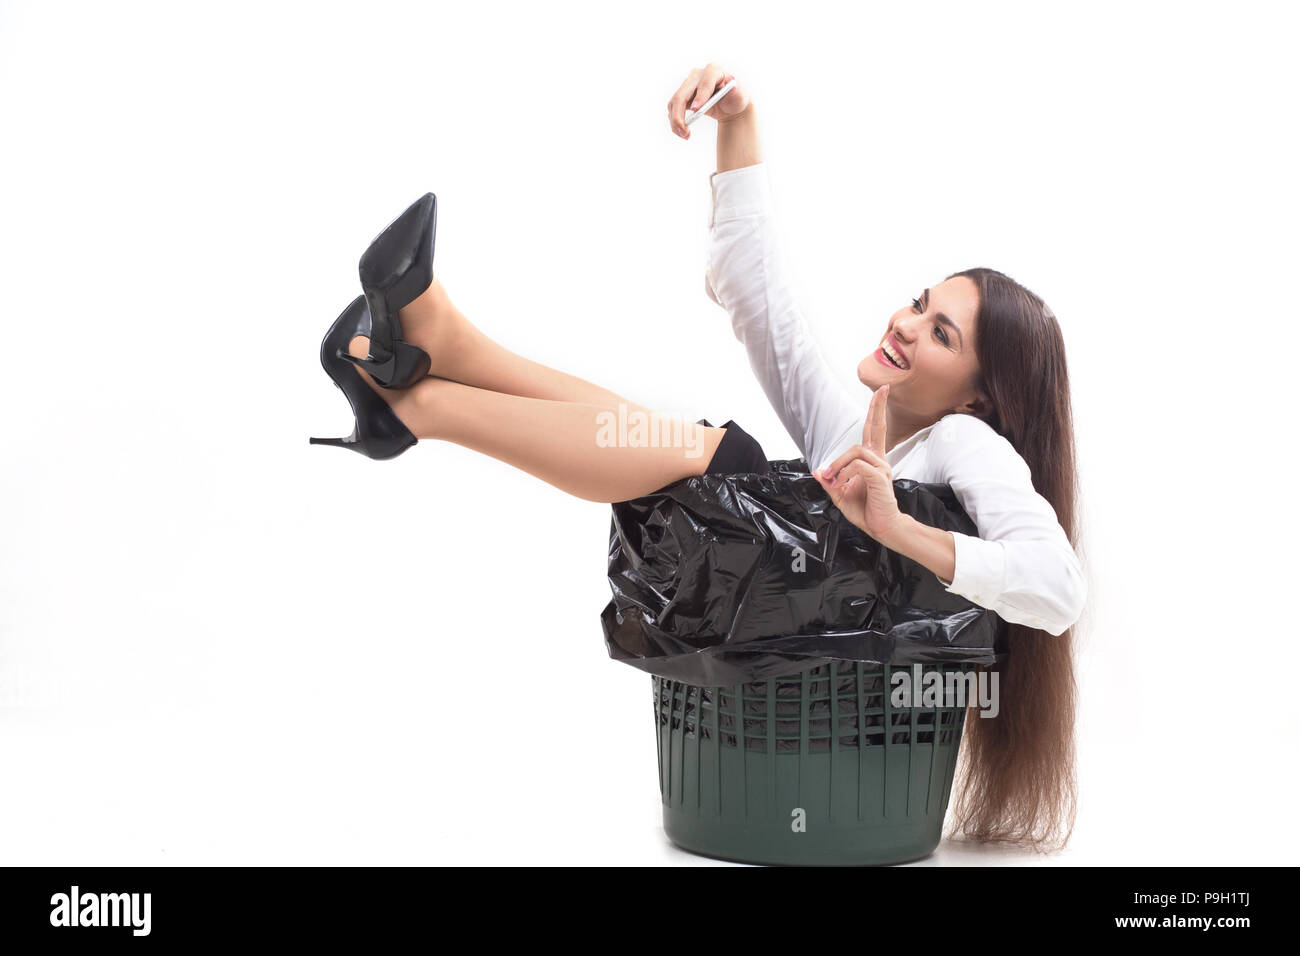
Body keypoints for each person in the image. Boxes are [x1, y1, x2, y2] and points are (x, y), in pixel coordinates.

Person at [311, 63, 1087, 851]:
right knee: (690, 458)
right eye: (922, 304)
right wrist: (737, 122)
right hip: (772, 731)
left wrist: (899, 531)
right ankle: (441, 360)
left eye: (942, 334)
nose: (909, 324)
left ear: (978, 397)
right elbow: (764, 304)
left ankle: (420, 398)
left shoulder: (965, 441)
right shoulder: (862, 438)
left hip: (836, 756)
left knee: (721, 459)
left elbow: (1059, 591)